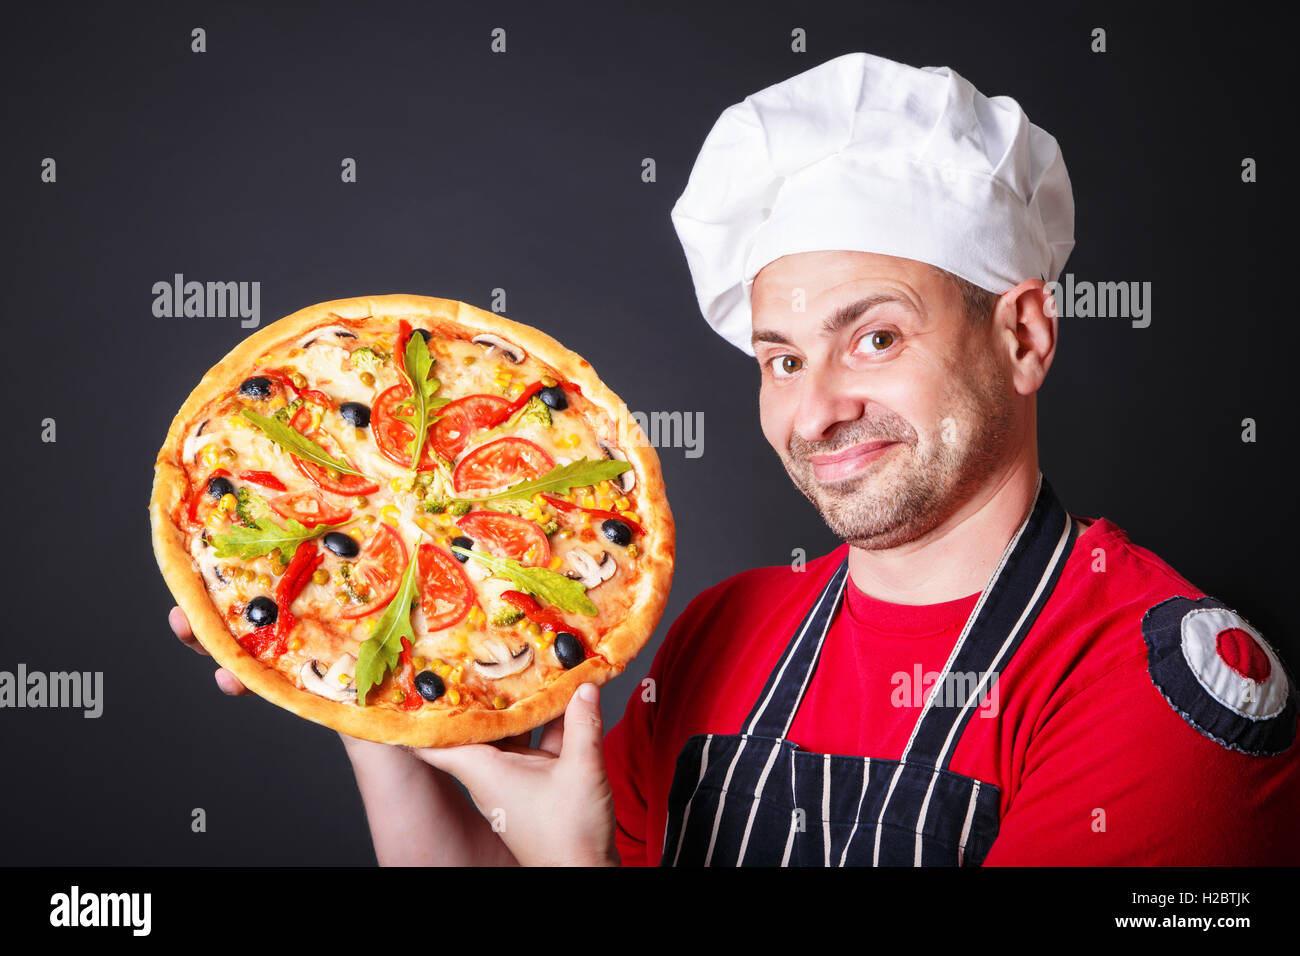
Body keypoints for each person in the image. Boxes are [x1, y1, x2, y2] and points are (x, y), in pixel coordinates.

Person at [168, 52, 1300, 866]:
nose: (819, 407)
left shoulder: (1159, 688)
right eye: (779, 357)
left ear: (1023, 335)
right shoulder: (725, 630)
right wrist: (362, 676)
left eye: (875, 336)